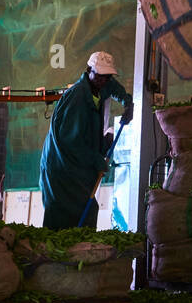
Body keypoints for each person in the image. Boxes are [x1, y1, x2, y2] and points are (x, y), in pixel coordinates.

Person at [39, 50, 134, 230]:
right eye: (100, 76)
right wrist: (97, 159)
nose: (103, 80)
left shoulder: (100, 85)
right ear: (89, 70)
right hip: (62, 168)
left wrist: (127, 102)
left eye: (107, 77)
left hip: (76, 166)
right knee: (66, 218)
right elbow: (71, 143)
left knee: (86, 212)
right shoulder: (77, 98)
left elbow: (113, 88)